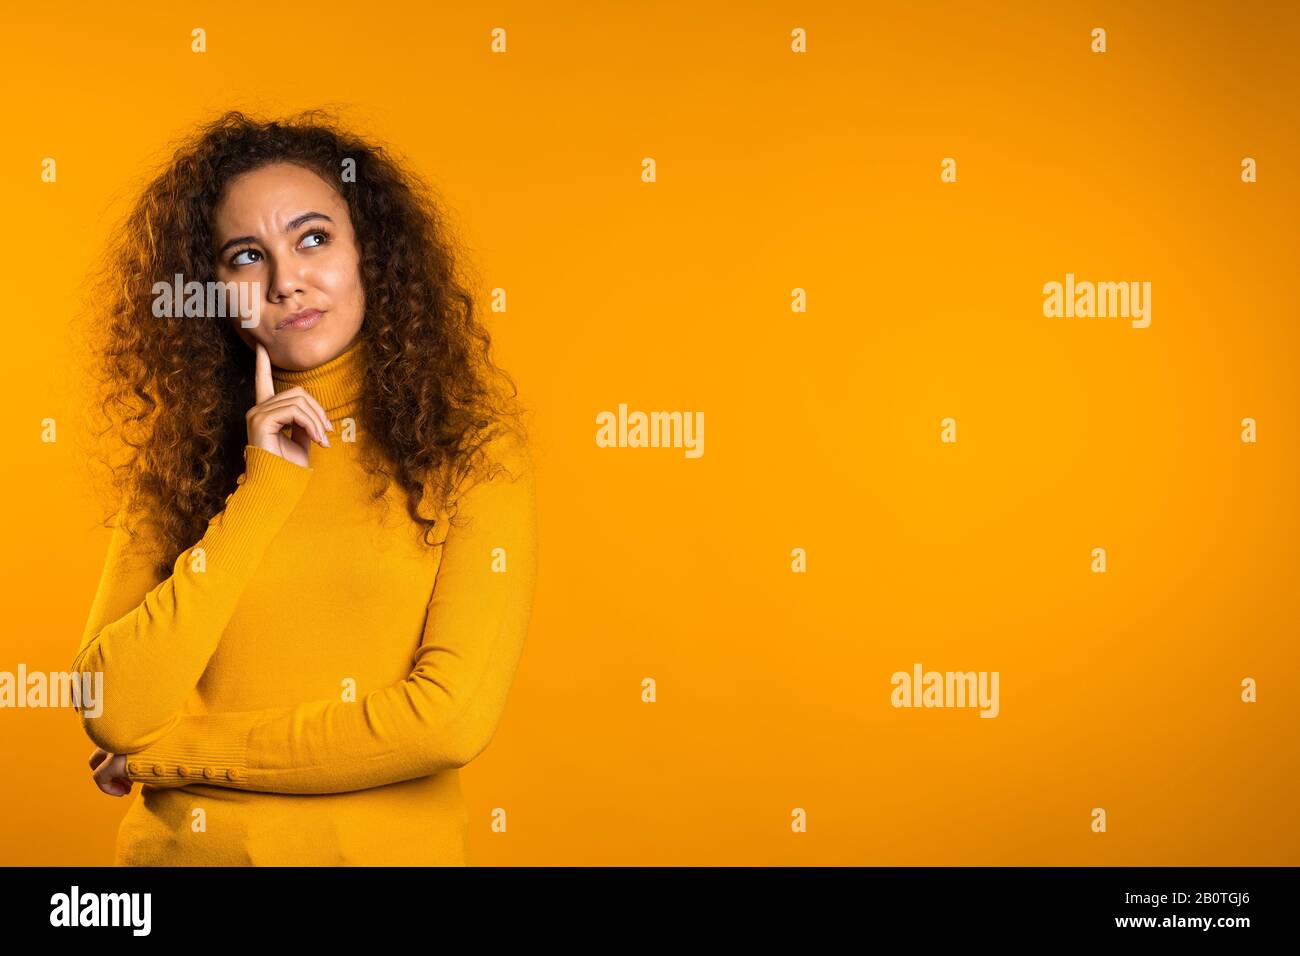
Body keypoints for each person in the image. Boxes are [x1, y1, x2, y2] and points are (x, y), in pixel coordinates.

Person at [72, 110, 538, 866]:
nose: (287, 282)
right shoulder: (183, 457)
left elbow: (445, 721)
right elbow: (111, 706)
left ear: (370, 254)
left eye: (313, 238)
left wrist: (169, 756)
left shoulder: (471, 452)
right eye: (246, 256)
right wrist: (264, 487)